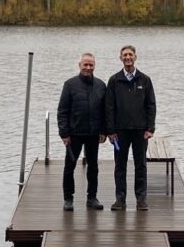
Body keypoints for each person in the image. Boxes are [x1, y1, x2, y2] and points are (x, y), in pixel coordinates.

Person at [103, 43, 155, 211]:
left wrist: (150, 128)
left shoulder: (144, 80)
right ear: (120, 58)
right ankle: (120, 199)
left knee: (141, 165)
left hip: (140, 132)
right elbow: (109, 107)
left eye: (130, 55)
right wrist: (110, 131)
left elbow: (151, 105)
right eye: (124, 55)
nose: (127, 57)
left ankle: (141, 199)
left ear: (135, 57)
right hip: (120, 132)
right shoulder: (114, 80)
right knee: (120, 166)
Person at [56, 52, 107, 211]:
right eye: (85, 64)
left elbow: (105, 111)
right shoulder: (70, 84)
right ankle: (68, 198)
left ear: (94, 66)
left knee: (93, 167)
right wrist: (64, 133)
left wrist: (104, 131)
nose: (88, 67)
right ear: (79, 65)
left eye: (91, 65)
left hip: (93, 134)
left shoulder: (100, 85)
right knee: (69, 166)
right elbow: (62, 111)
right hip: (74, 134)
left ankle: (92, 198)